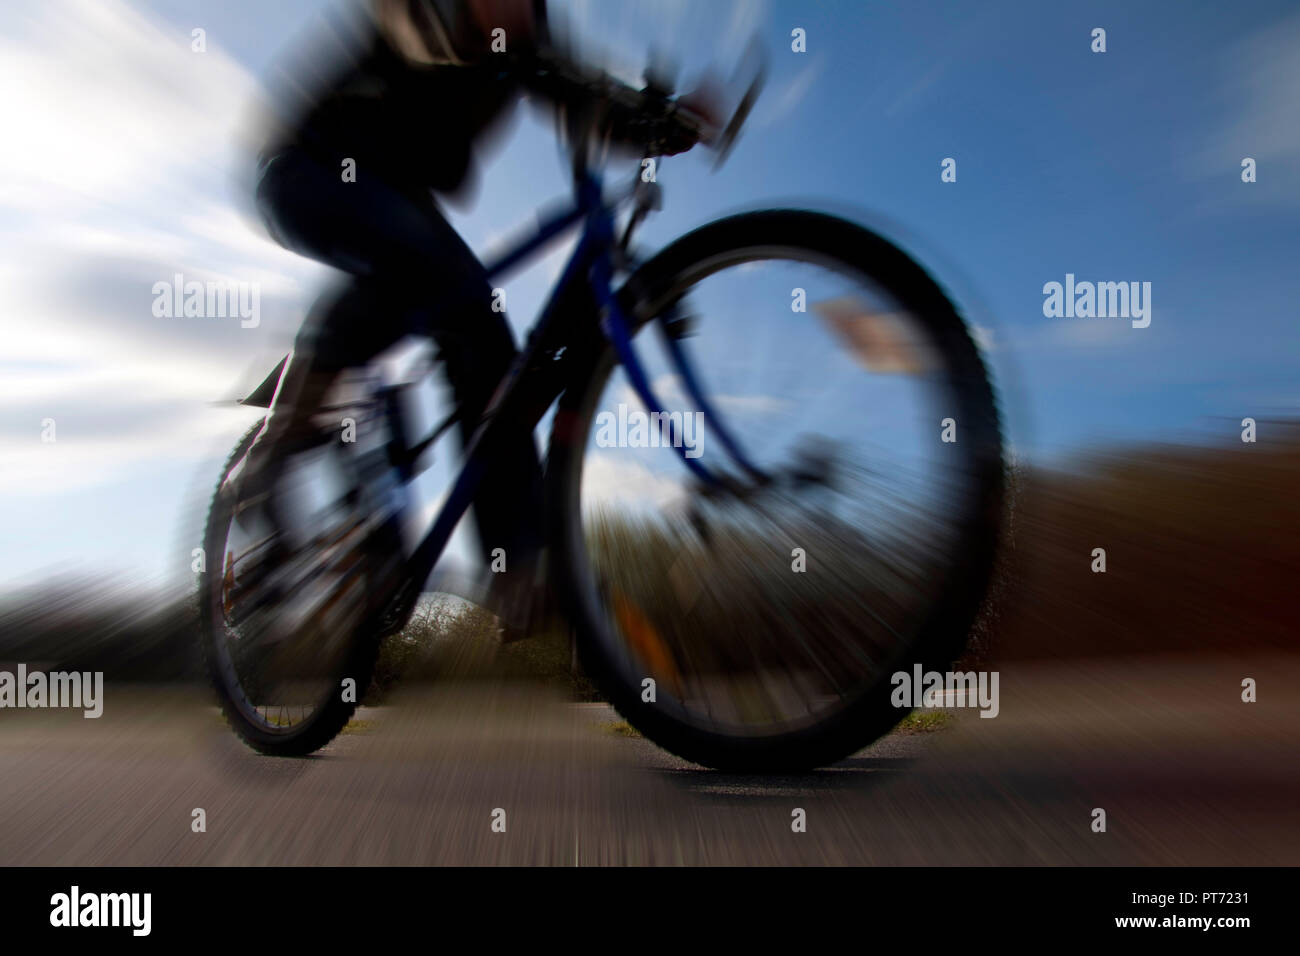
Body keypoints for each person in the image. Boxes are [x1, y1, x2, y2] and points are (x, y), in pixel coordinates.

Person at [239, 0, 718, 633]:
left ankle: (518, 560)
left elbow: (579, 97)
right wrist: (468, 24)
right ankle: (268, 462)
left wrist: (653, 120)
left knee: (484, 333)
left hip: (400, 197)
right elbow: (410, 26)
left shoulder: (529, 39)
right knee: (431, 267)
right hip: (307, 165)